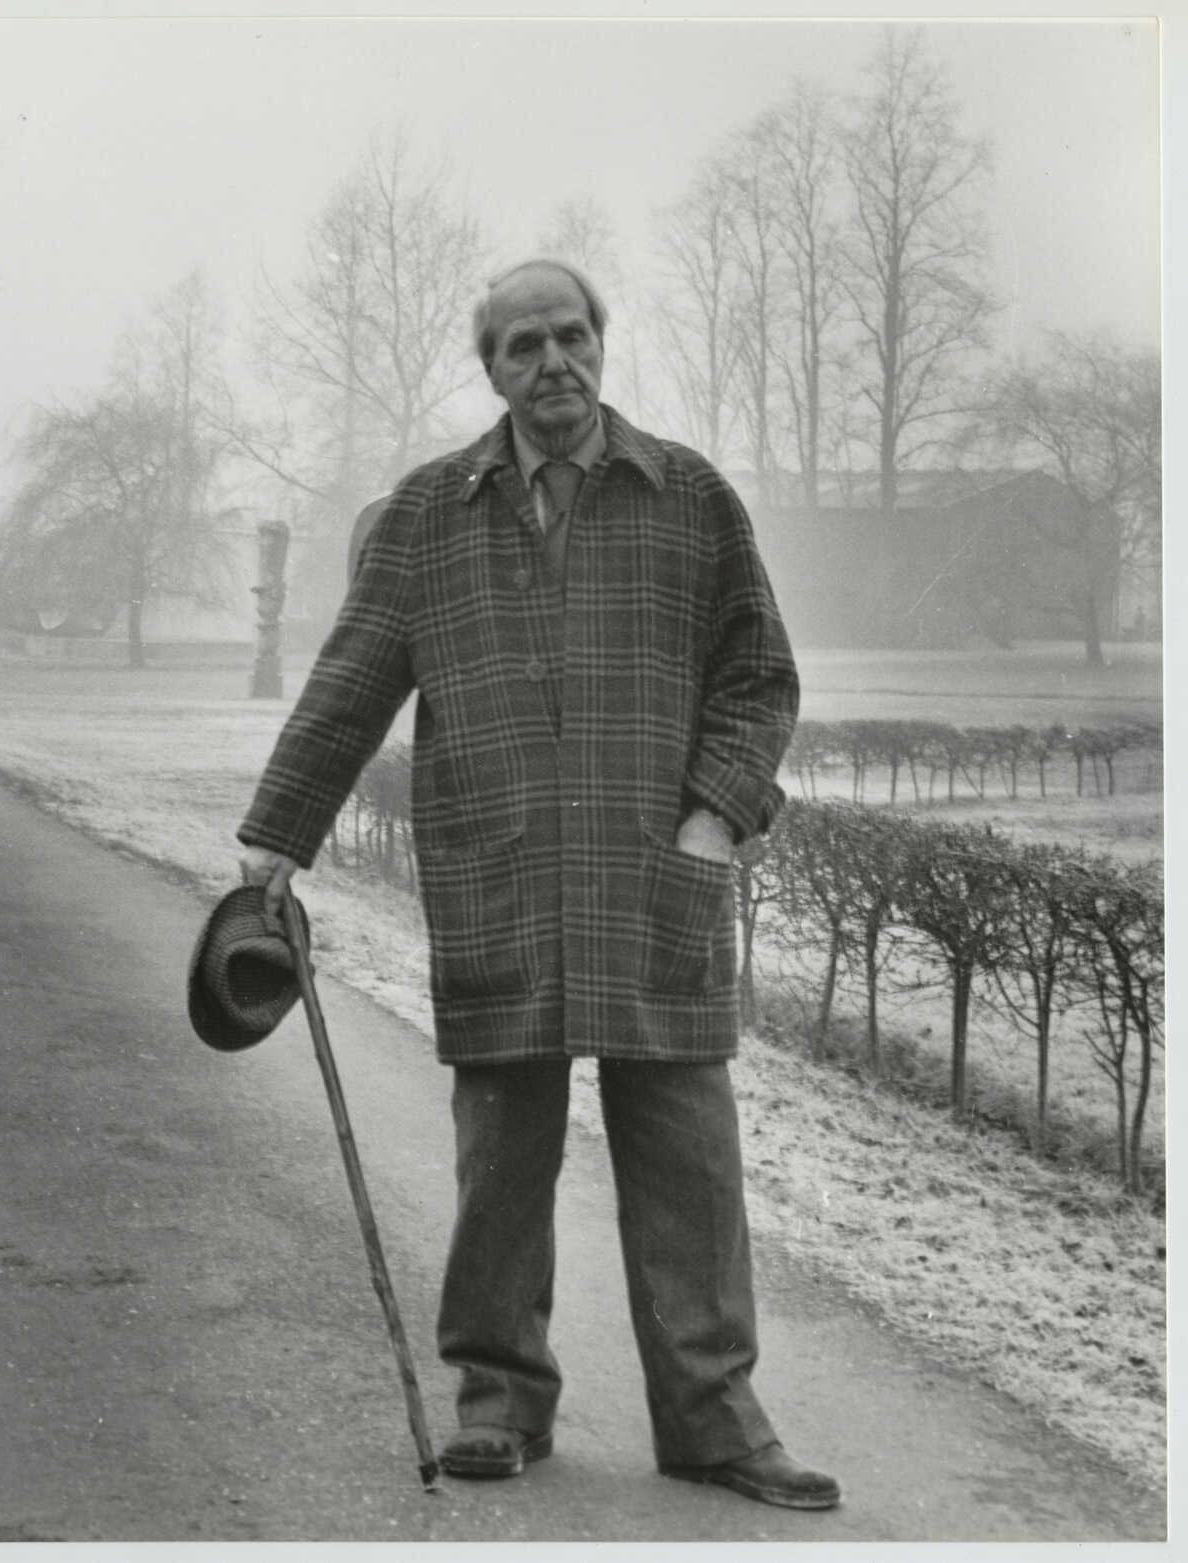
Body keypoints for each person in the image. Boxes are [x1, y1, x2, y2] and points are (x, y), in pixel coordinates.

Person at [235, 258, 838, 1510]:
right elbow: (351, 681)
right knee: (499, 1155)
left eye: (568, 336)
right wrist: (274, 838)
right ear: (492, 370)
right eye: (521, 346)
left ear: (600, 345)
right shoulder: (423, 519)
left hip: (653, 879)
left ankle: (714, 1419)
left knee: (685, 1161)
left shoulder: (690, 502)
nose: (550, 362)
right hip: (498, 871)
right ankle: (500, 1401)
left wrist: (714, 823)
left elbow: (757, 679)